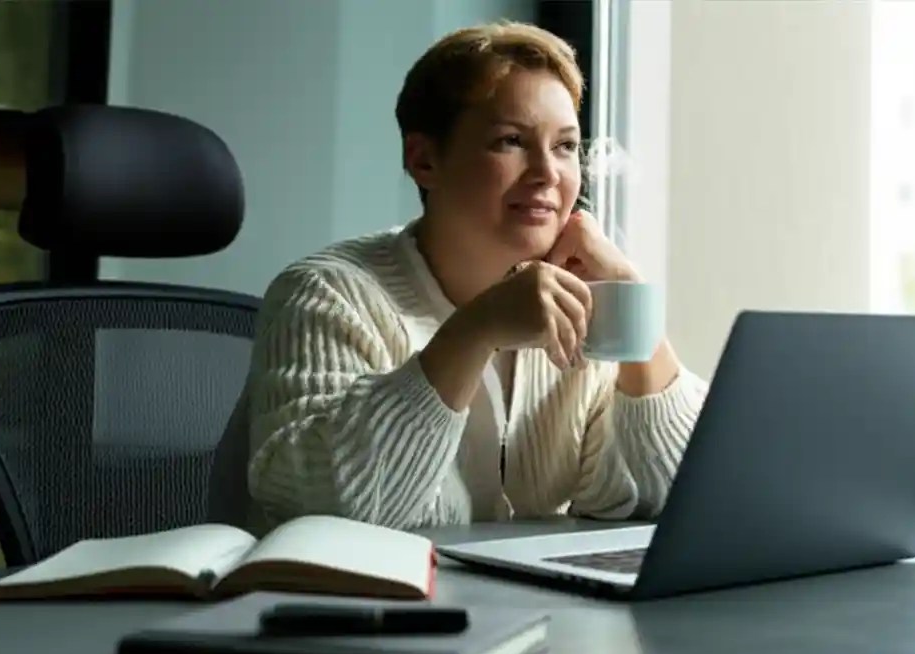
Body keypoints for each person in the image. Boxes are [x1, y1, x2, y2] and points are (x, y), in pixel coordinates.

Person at [235, 21, 708, 534]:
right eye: (511, 141)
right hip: (354, 612)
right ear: (424, 160)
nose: (549, 173)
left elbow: (674, 500)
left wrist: (633, 313)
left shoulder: (588, 307)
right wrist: (475, 330)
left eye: (566, 146)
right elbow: (337, 508)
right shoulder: (327, 294)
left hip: (532, 609)